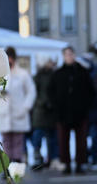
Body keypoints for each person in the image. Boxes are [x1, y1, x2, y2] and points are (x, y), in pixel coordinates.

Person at [48, 46, 95, 174]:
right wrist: (55, 106)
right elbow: (51, 92)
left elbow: (90, 91)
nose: (69, 56)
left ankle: (80, 164)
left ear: (74, 55)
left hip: (80, 113)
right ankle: (66, 164)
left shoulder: (82, 72)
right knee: (63, 141)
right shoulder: (58, 73)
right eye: (67, 54)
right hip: (63, 113)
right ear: (63, 56)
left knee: (81, 141)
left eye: (71, 54)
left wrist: (86, 106)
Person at [0, 47, 36, 163]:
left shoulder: (22, 74)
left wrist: (26, 107)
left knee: (18, 140)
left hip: (18, 112)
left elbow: (31, 91)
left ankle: (17, 165)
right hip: (4, 113)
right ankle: (6, 166)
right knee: (5, 141)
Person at [30, 59, 59, 171]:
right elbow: (34, 93)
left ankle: (52, 158)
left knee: (52, 137)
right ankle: (38, 158)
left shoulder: (55, 75)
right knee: (38, 135)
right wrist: (42, 103)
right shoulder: (38, 76)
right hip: (40, 111)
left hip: (51, 111)